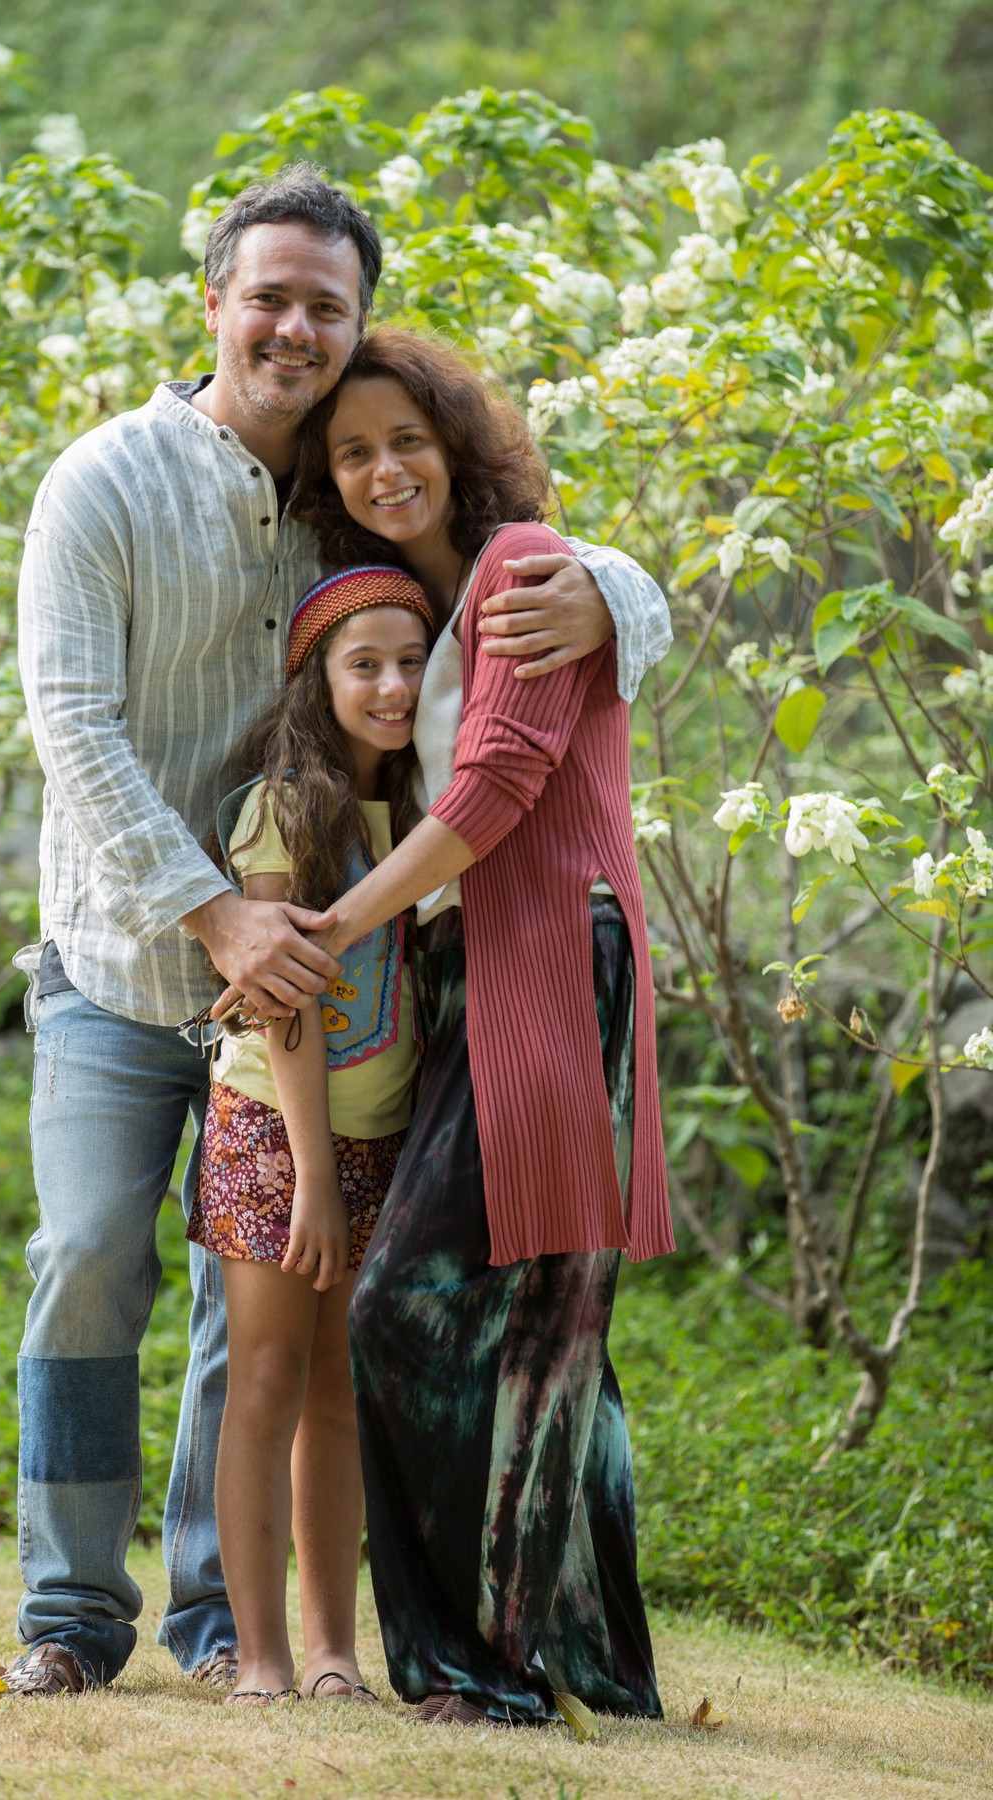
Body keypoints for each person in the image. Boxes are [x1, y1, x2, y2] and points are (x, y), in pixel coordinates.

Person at [6, 162, 673, 1697]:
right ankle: (69, 1615)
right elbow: (73, 727)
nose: (295, 329)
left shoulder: (346, 487)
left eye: (328, 305)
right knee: (89, 1255)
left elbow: (505, 554)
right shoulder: (104, 480)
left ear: (359, 322)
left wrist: (620, 596)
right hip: (129, 961)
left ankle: (222, 1625)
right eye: (270, 298)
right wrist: (216, 911)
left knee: (263, 1317)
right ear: (214, 304)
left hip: (336, 986)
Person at [286, 326, 676, 1726]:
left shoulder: (522, 570)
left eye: (408, 439)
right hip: (472, 964)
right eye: (353, 451)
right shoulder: (421, 606)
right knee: (553, 1325)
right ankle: (594, 1667)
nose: (385, 468)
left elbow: (501, 783)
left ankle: (472, 1666)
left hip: (556, 950)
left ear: (458, 446)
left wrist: (335, 926)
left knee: (406, 1305)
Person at [186, 565, 433, 1706]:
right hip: (275, 1133)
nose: (392, 686)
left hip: (385, 1133)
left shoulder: (428, 806)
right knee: (268, 1375)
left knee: (340, 1387)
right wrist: (318, 1179)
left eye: (411, 662)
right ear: (316, 680)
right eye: (363, 664)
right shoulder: (286, 809)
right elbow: (283, 1009)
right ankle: (263, 1657)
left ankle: (335, 1651)